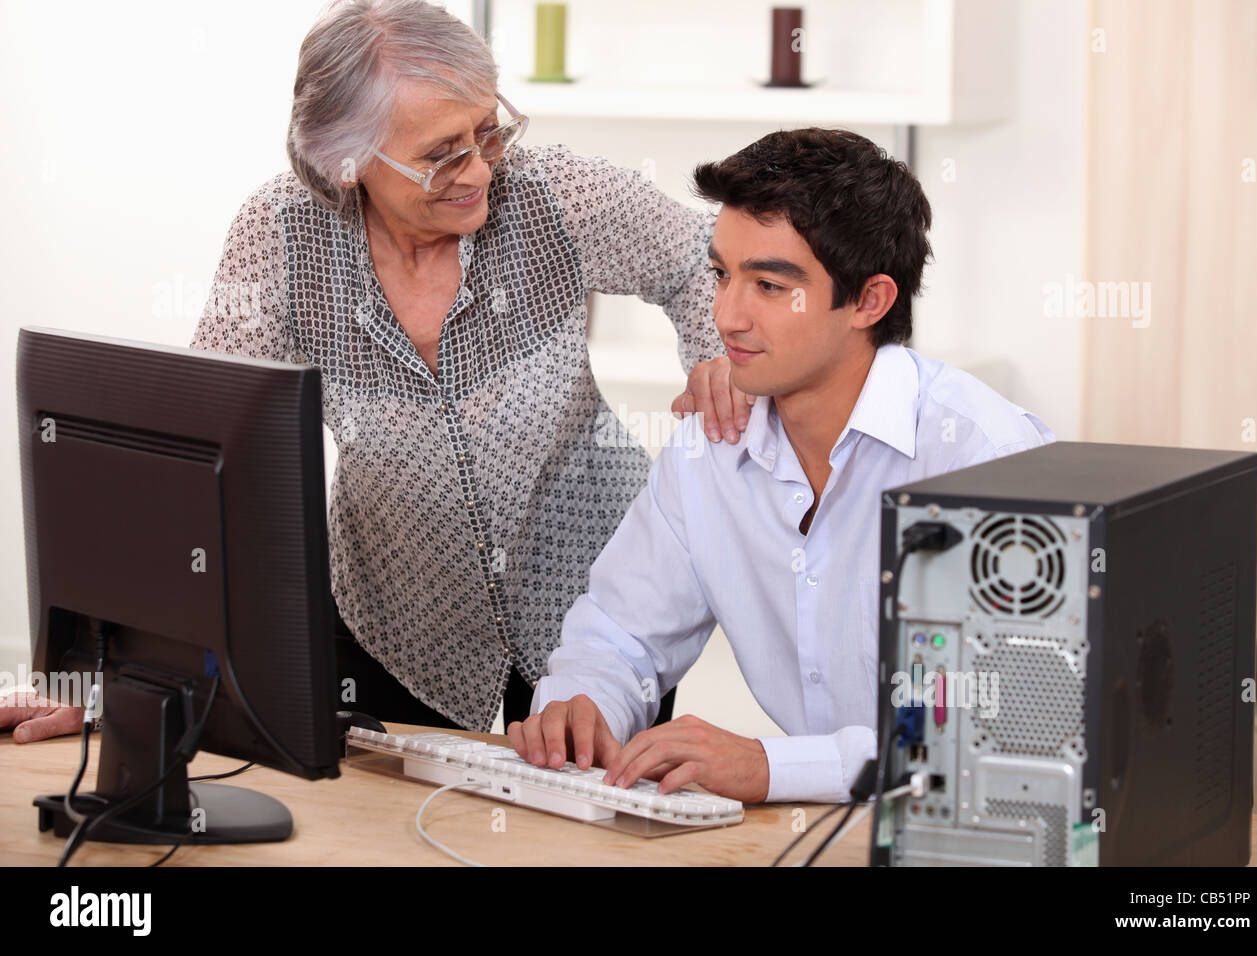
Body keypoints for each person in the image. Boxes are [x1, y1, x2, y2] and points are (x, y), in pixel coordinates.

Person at [0, 0, 752, 744]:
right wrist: (111, 672)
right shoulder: (282, 235)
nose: (480, 168)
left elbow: (699, 258)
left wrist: (714, 357)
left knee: (580, 833)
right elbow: (208, 462)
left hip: (594, 600)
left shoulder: (554, 195)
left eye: (487, 131)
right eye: (440, 153)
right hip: (391, 611)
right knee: (370, 827)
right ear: (345, 160)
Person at [507, 128, 1056, 804]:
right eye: (721, 274)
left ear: (869, 301)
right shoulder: (710, 446)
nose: (727, 315)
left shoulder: (982, 457)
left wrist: (770, 768)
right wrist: (582, 705)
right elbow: (621, 633)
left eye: (769, 285)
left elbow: (1008, 731)